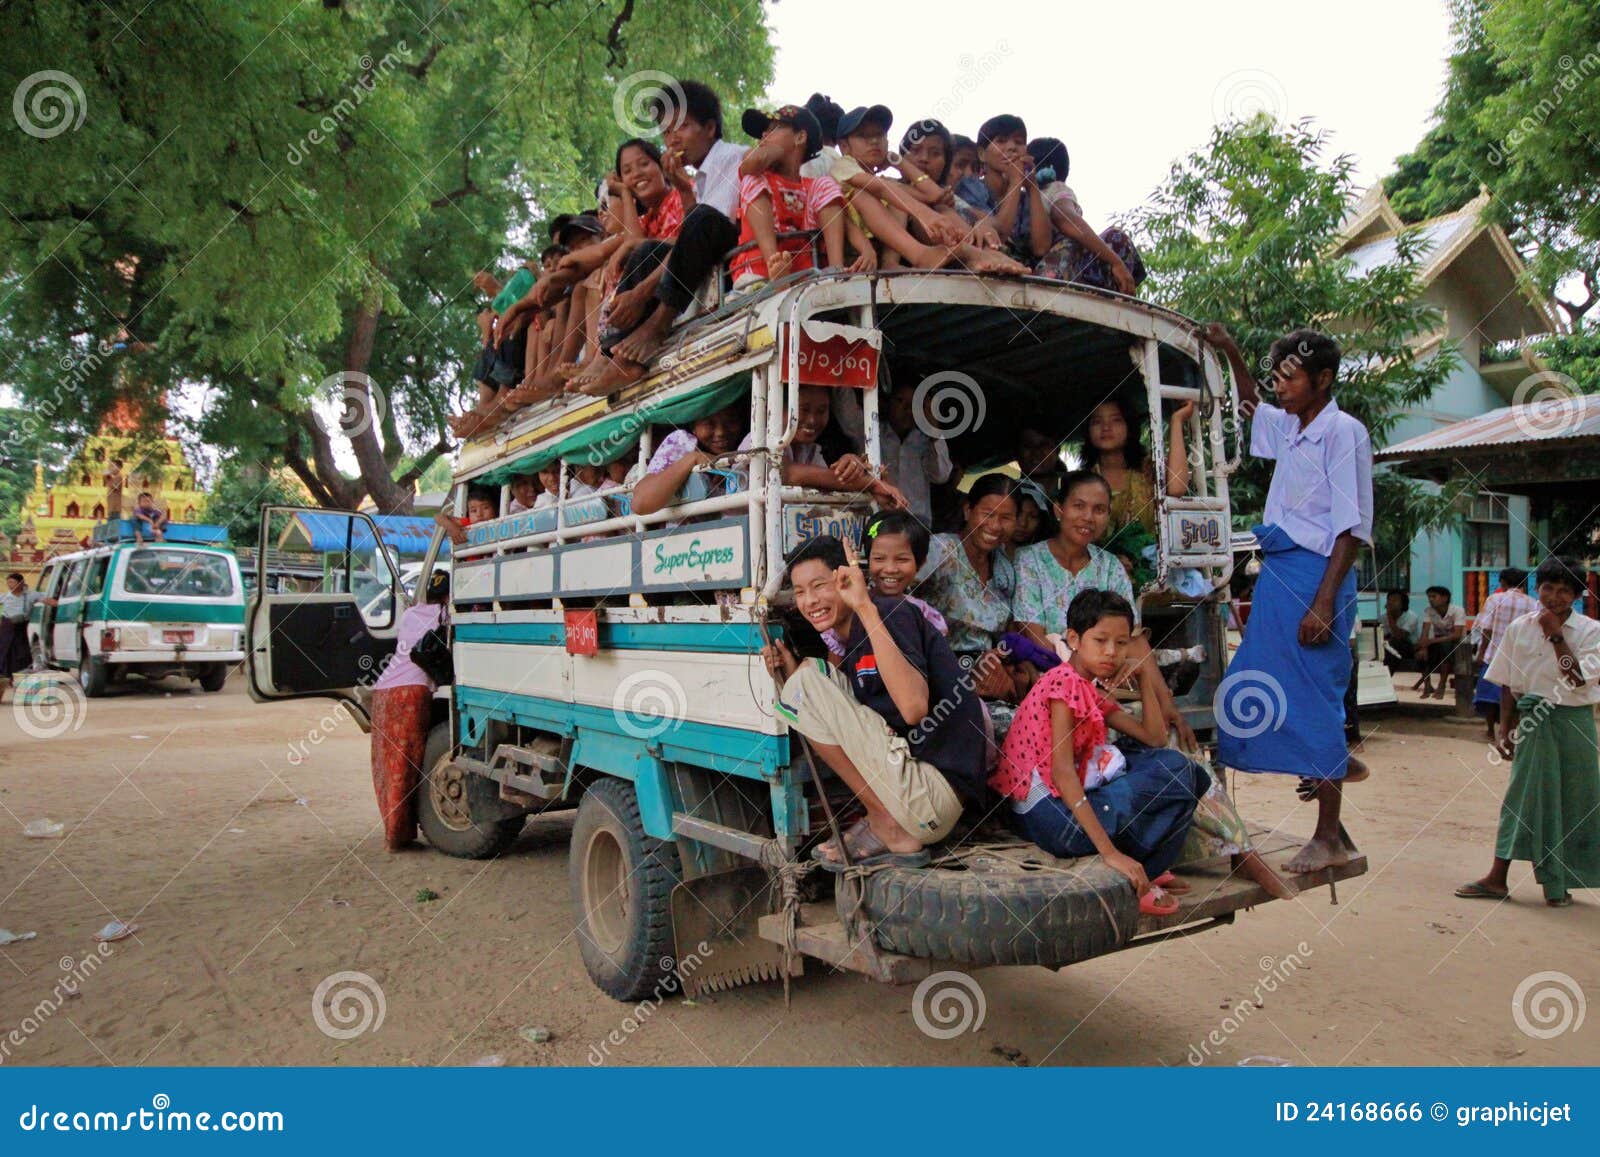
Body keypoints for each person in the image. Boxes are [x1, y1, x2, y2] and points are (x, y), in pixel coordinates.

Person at [1205, 323, 1373, 875]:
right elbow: (1252, 403)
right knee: (1251, 690)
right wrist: (1230, 350)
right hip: (1281, 573)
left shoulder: (1342, 432)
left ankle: (1328, 836)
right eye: (1278, 375)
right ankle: (1325, 795)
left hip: (1316, 577)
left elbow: (1351, 527)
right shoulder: (1295, 428)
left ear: (1322, 380)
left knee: (1317, 697)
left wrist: (1323, 602)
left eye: (1291, 377)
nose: (1280, 386)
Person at [763, 535, 987, 869]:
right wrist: (792, 677)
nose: (809, 601)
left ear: (845, 579)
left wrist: (864, 605)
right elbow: (856, 721)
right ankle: (884, 816)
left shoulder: (887, 613)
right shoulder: (850, 638)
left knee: (807, 682)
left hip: (930, 799)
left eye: (820, 586)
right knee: (809, 675)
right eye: (799, 591)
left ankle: (885, 821)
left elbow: (913, 709)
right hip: (917, 791)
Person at [992, 589, 1208, 916]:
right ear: (1075, 639)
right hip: (1048, 816)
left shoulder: (1087, 686)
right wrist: (1109, 853)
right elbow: (1063, 773)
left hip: (1060, 810)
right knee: (1180, 774)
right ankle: (1138, 870)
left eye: (1121, 643)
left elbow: (1153, 738)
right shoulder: (1064, 682)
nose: (1111, 652)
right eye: (1101, 640)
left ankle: (1145, 866)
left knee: (1177, 769)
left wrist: (1144, 677)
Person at [1456, 556, 1600, 907]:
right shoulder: (1520, 627)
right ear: (1538, 589)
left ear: (1577, 596)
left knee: (1574, 801)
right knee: (1520, 798)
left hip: (1574, 722)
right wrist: (1505, 729)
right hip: (1533, 720)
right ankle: (1497, 877)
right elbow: (1508, 682)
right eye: (1548, 588)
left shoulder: (1591, 632)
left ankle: (1560, 882)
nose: (1554, 597)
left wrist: (1555, 634)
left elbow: (1577, 678)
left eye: (1564, 591)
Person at [609, 79, 751, 368]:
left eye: (682, 127)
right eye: (666, 132)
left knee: (701, 218)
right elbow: (692, 235)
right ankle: (611, 352)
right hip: (712, 244)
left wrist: (642, 292)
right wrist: (685, 189)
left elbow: (707, 226)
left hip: (739, 257)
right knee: (646, 252)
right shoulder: (698, 176)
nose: (672, 139)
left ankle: (658, 325)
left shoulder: (729, 157)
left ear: (710, 129)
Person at [368, 569, 450, 850]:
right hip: (411, 694)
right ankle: (397, 838)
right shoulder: (447, 616)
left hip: (383, 692)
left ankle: (394, 833)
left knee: (386, 767)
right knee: (406, 764)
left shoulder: (410, 614)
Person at [1079, 396, 1193, 586]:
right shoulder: (1080, 481)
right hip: (1096, 580)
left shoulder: (1149, 469)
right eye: (1097, 421)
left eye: (1115, 420)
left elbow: (1177, 487)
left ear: (1129, 427)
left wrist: (1176, 421)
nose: (1106, 427)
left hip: (1153, 577)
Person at [735, 385, 905, 509]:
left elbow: (829, 480)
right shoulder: (760, 438)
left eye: (822, 411)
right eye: (804, 409)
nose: (812, 420)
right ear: (779, 409)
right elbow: (787, 474)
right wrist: (871, 484)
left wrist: (851, 468)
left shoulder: (811, 452)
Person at [1025, 136, 1144, 293]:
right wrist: (1116, 262)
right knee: (1117, 238)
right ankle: (1119, 294)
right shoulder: (1056, 188)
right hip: (1051, 278)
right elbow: (1066, 218)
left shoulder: (1023, 196)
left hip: (1029, 273)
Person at [821, 510, 947, 657]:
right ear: (868, 560)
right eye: (879, 559)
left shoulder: (925, 615)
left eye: (902, 559)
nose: (890, 569)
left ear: (920, 563)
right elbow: (836, 675)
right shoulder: (851, 609)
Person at [630, 403, 746, 516]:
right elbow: (640, 503)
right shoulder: (683, 442)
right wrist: (692, 458)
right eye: (709, 424)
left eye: (730, 421)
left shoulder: (748, 443)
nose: (721, 432)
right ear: (693, 427)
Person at [1470, 568, 1536, 734]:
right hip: (1521, 657)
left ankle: (1491, 729)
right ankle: (1511, 729)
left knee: (1488, 697)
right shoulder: (1532, 603)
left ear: (1503, 582)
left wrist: (1481, 652)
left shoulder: (1494, 600)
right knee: (1515, 697)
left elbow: (1487, 629)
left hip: (1494, 655)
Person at [1, 572, 56, 701]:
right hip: (6, 629)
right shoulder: (5, 597)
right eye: (8, 583)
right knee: (3, 657)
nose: (10, 585)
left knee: (22, 657)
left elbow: (48, 600)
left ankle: (23, 688)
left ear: (20, 583)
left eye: (12, 582)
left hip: (20, 630)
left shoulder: (31, 596)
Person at [1416, 585, 1467, 699]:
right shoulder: (1429, 611)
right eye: (1429, 597)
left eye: (1434, 596)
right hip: (1438, 642)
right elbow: (1425, 631)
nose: (1430, 599)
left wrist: (1431, 641)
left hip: (1458, 645)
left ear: (1444, 598)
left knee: (1445, 647)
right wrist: (1423, 647)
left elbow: (1457, 635)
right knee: (1419, 652)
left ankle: (1442, 684)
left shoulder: (1457, 610)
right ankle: (1427, 684)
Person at [1382, 589, 1420, 673]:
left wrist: (1389, 616)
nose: (1391, 602)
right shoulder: (1383, 618)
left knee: (1395, 643)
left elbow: (1400, 636)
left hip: (1410, 647)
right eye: (1389, 600)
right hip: (1391, 647)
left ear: (1403, 603)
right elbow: (1383, 636)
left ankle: (1387, 674)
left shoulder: (1411, 617)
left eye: (1395, 600)